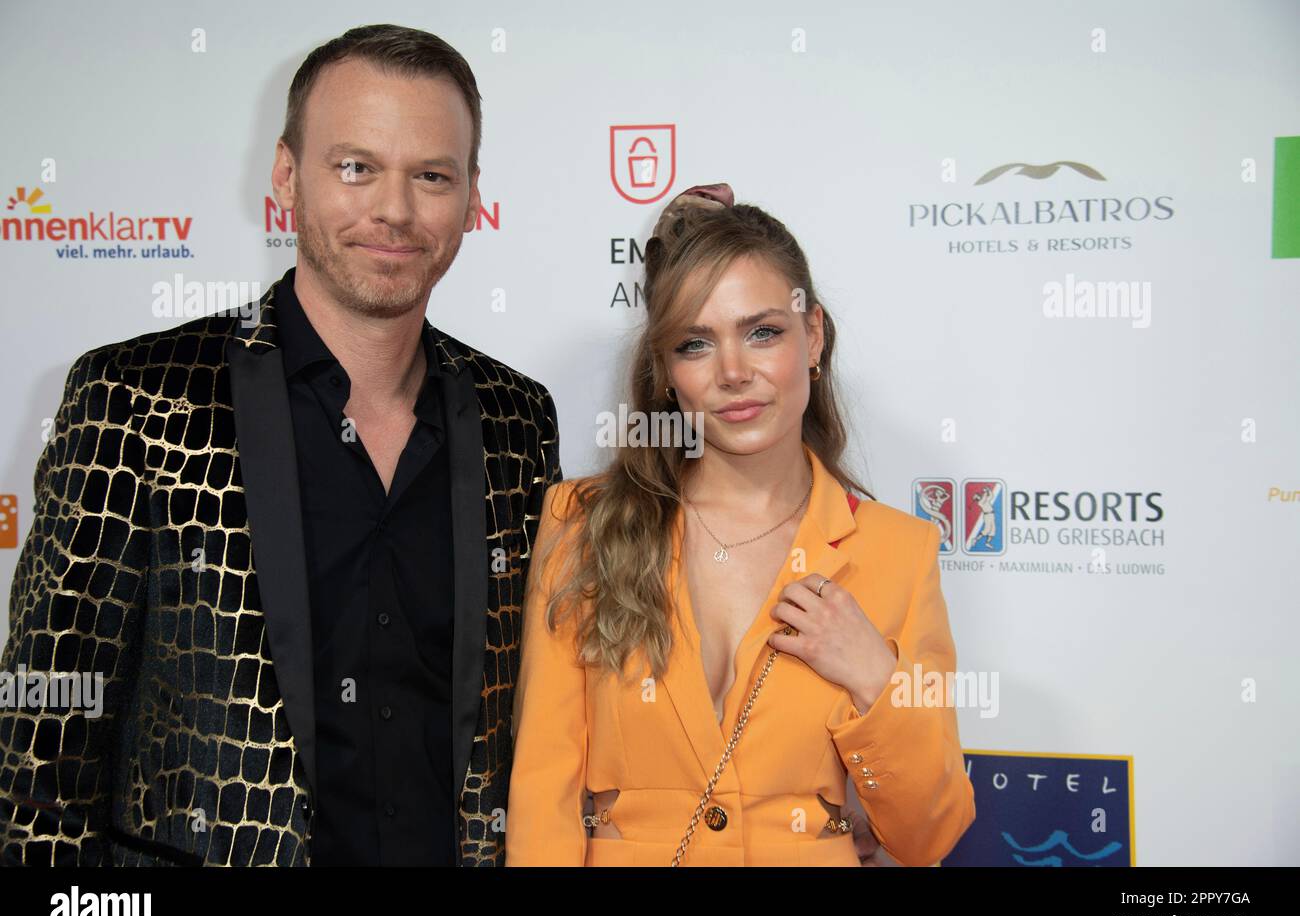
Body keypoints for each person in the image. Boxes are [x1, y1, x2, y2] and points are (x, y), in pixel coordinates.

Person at [0, 24, 561, 866]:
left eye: (432, 176)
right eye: (356, 166)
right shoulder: (136, 399)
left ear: (473, 193)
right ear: (286, 174)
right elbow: (43, 750)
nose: (395, 210)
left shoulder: (519, 418)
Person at [506, 183, 975, 866]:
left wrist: (875, 676)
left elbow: (927, 833)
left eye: (763, 332)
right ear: (666, 371)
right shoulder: (582, 525)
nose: (733, 372)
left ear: (812, 334)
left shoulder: (896, 552)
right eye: (696, 343)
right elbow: (543, 794)